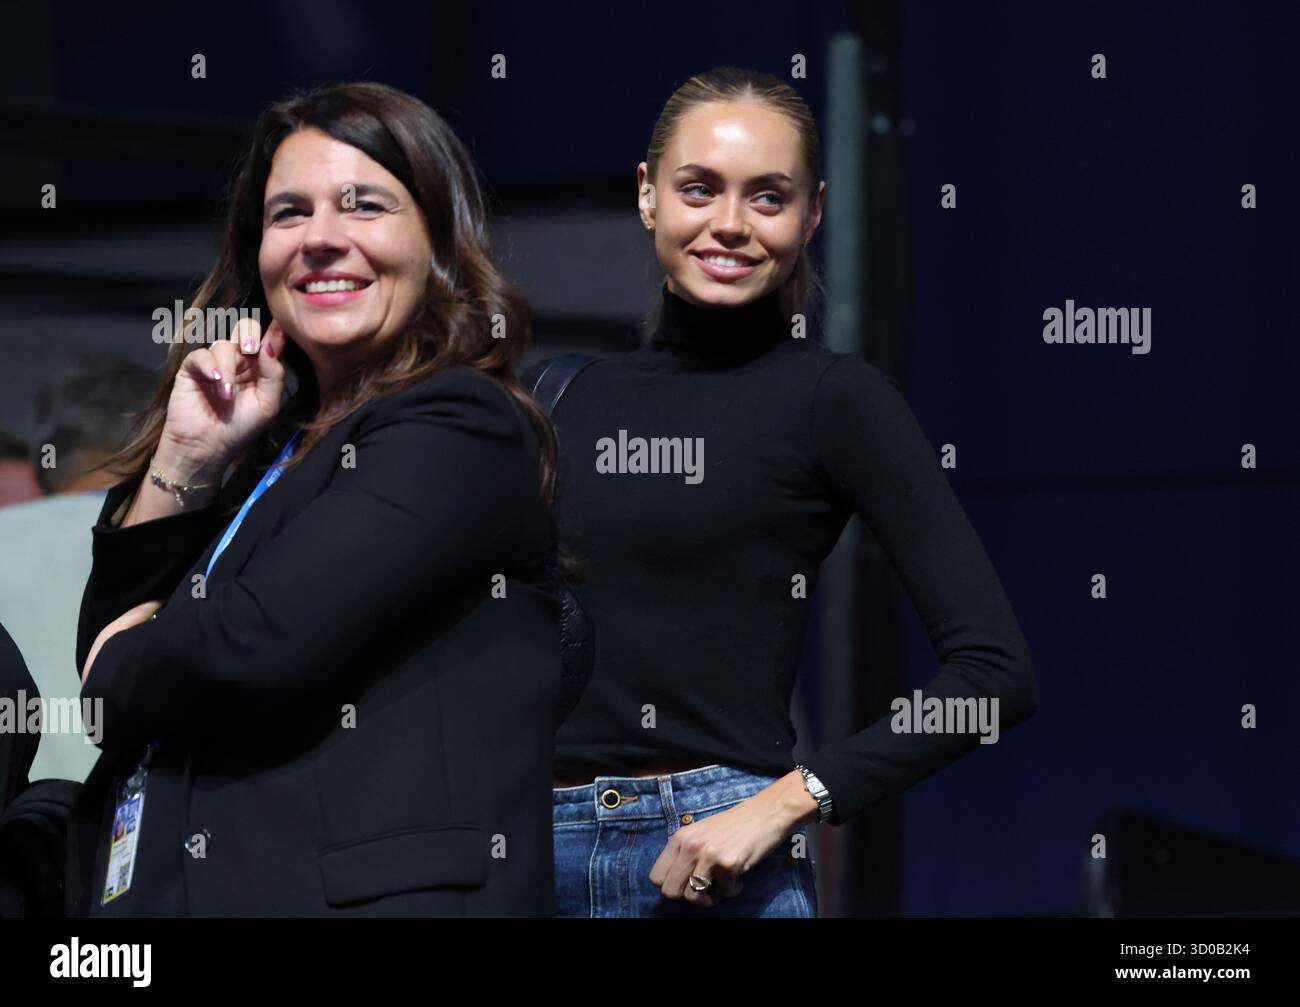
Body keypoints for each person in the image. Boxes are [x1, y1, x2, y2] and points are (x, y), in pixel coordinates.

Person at [533, 67, 1038, 917]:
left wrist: (788, 801)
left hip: (715, 866)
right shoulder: (558, 393)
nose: (729, 224)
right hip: (531, 856)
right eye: (699, 188)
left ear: (812, 214)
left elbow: (996, 675)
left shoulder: (835, 399)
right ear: (649, 195)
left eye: (768, 197)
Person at [68, 81, 561, 916]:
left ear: (436, 240)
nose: (322, 240)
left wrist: (121, 659)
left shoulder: (459, 425)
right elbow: (118, 692)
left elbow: (246, 648)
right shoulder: (267, 447)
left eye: (365, 205)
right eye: (288, 213)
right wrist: (188, 458)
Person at [0, 358, 157, 784]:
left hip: (17, 831)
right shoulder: (185, 548)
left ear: (40, 463)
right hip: (142, 830)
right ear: (159, 444)